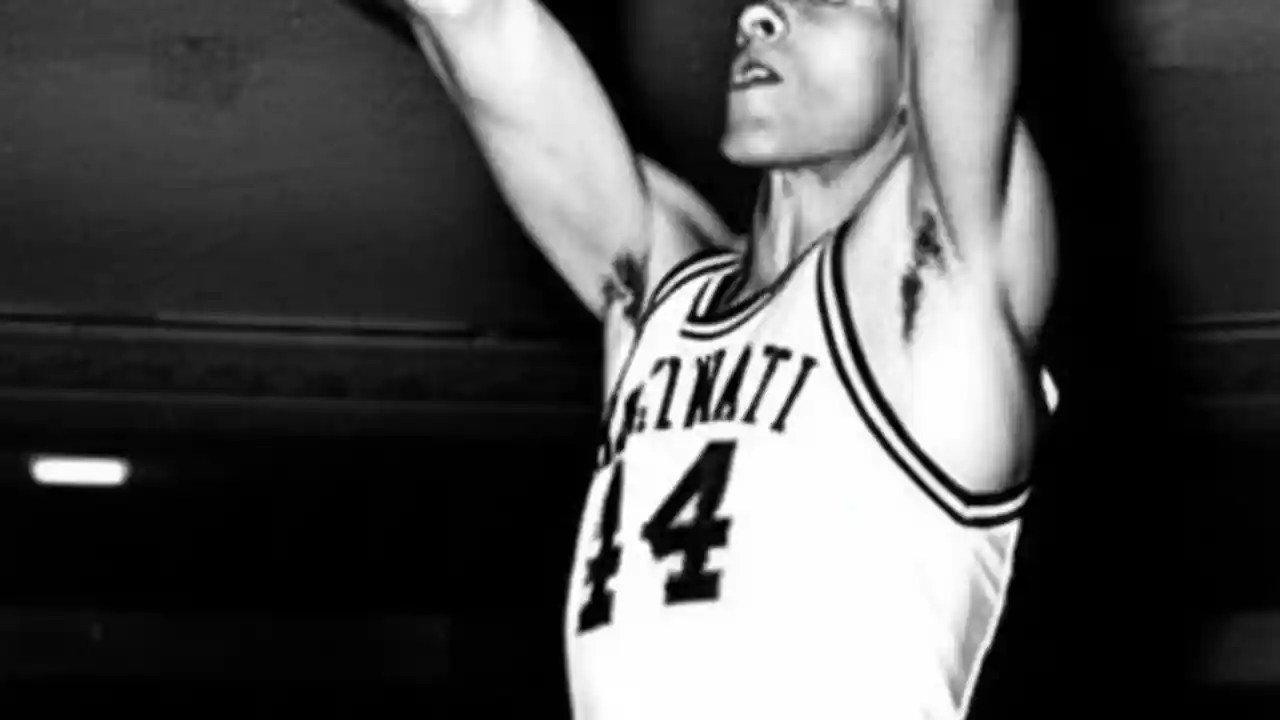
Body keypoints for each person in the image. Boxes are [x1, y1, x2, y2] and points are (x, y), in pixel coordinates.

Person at [388, 0, 1057, 716]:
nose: (759, 14)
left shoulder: (934, 292)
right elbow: (473, 17)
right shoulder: (659, 290)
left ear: (912, 78)